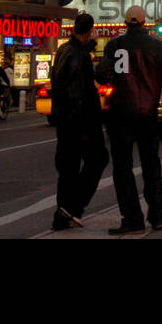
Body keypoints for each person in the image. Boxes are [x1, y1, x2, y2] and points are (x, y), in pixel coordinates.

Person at [96, 5, 162, 235]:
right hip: (149, 112)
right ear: (144, 22)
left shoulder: (116, 45)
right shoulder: (158, 47)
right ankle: (158, 215)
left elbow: (102, 75)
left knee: (123, 168)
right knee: (152, 165)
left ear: (125, 23)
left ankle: (132, 219)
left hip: (121, 112)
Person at [49, 13, 108, 231]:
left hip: (65, 119)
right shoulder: (78, 56)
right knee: (98, 159)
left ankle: (62, 215)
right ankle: (72, 206)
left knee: (68, 168)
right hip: (80, 119)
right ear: (91, 30)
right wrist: (88, 122)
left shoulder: (64, 50)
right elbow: (79, 92)